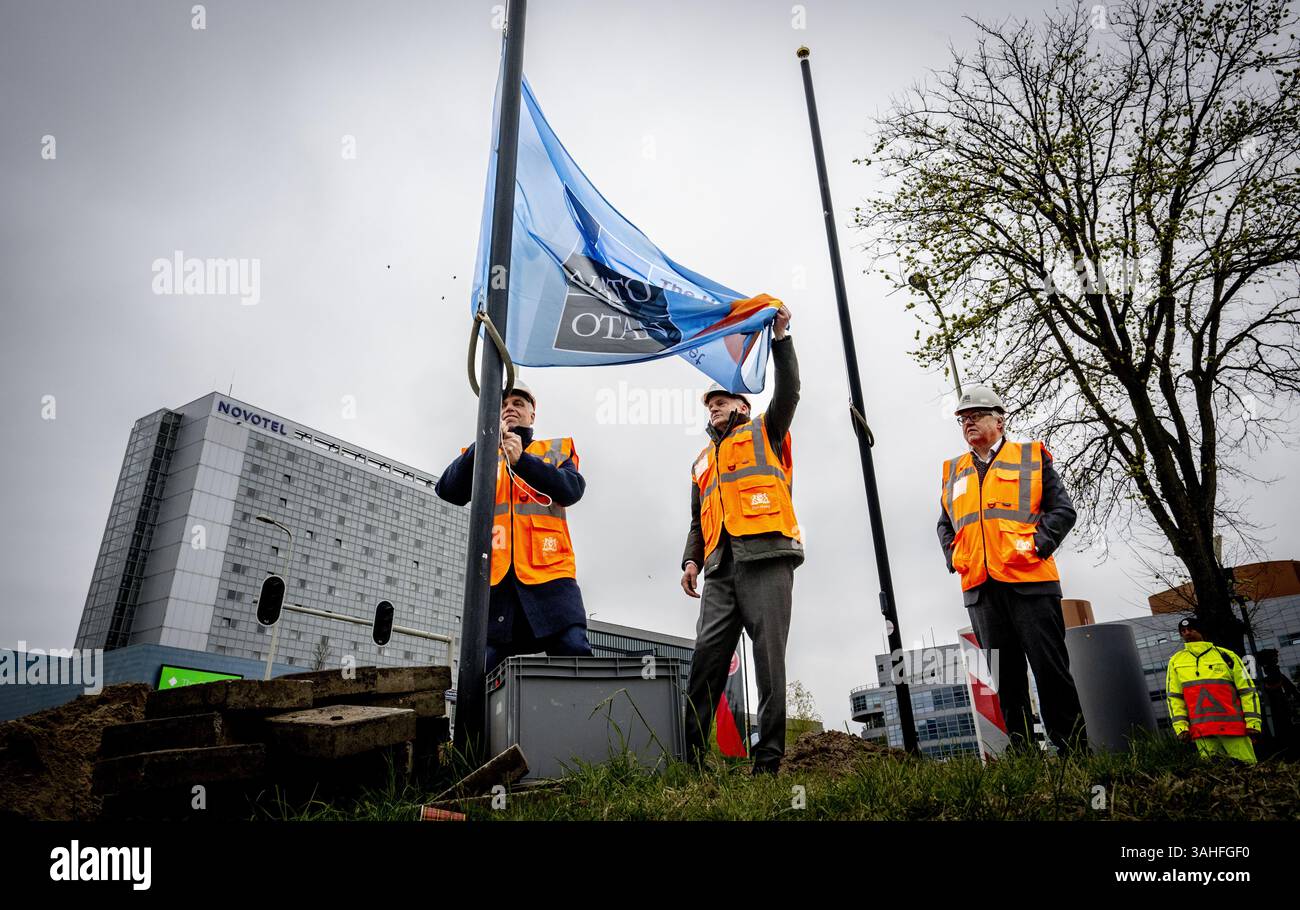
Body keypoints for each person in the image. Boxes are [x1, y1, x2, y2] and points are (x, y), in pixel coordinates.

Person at [680, 304, 802, 774]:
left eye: (722, 400)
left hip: (767, 556)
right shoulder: (699, 463)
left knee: (769, 663)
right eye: (709, 402)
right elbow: (697, 521)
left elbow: (790, 390)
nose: (714, 406)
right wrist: (691, 561)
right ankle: (692, 761)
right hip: (720, 570)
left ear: (743, 405)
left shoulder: (766, 432)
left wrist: (781, 339)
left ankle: (767, 762)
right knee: (706, 662)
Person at [936, 385, 1088, 754]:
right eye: (963, 420)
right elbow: (945, 525)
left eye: (976, 416)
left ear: (999, 420)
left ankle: (1074, 752)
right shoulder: (954, 471)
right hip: (981, 590)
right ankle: (1022, 754)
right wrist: (956, 557)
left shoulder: (1030, 458)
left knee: (1050, 672)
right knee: (1006, 680)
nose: (968, 423)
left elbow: (1062, 511)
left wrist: (1037, 544)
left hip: (1030, 583)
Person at [434, 381, 592, 671]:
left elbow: (572, 490)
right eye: (503, 405)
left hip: (551, 576)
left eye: (518, 404)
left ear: (532, 415)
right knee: (479, 669)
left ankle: (580, 715)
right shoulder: (482, 456)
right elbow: (448, 489)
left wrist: (523, 461)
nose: (510, 409)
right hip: (497, 581)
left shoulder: (555, 450)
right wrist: (483, 441)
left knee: (572, 649)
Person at [1165, 615, 1261, 763]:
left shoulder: (1227, 656)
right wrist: (1181, 727)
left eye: (1191, 629)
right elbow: (1174, 697)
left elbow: (1247, 690)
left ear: (1202, 631)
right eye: (1182, 631)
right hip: (1202, 731)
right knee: (1215, 777)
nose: (1187, 633)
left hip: (1233, 728)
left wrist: (1252, 722)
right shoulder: (1175, 661)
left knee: (1247, 768)